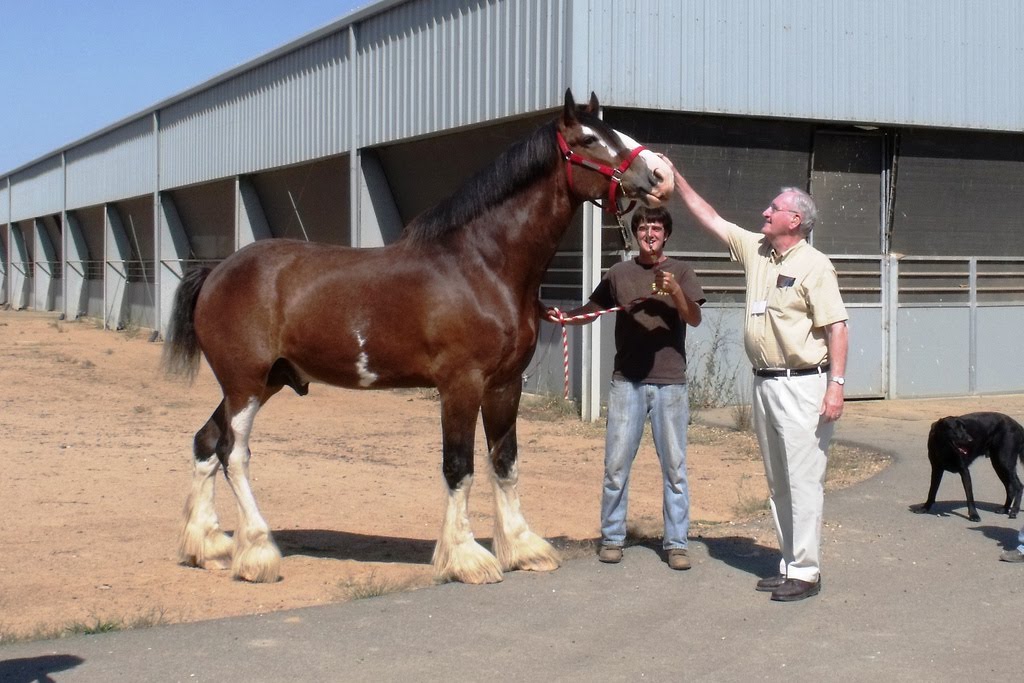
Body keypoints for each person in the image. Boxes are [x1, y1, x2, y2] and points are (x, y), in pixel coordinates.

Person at [665, 160, 849, 601]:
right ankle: (788, 562)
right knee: (778, 480)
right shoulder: (758, 250)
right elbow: (710, 217)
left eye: (774, 208)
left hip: (803, 383)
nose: (765, 213)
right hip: (765, 382)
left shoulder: (815, 266)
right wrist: (678, 181)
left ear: (795, 220)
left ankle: (806, 571)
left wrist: (836, 385)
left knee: (803, 479)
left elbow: (837, 327)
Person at [546, 206, 705, 570]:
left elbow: (694, 318)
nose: (650, 234)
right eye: (644, 228)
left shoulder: (680, 271)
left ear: (666, 234)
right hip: (626, 384)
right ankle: (613, 538)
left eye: (657, 228)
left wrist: (676, 292)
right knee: (616, 466)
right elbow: (593, 309)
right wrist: (561, 316)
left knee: (675, 470)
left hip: (670, 386)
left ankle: (677, 543)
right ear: (635, 234)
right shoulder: (619, 273)